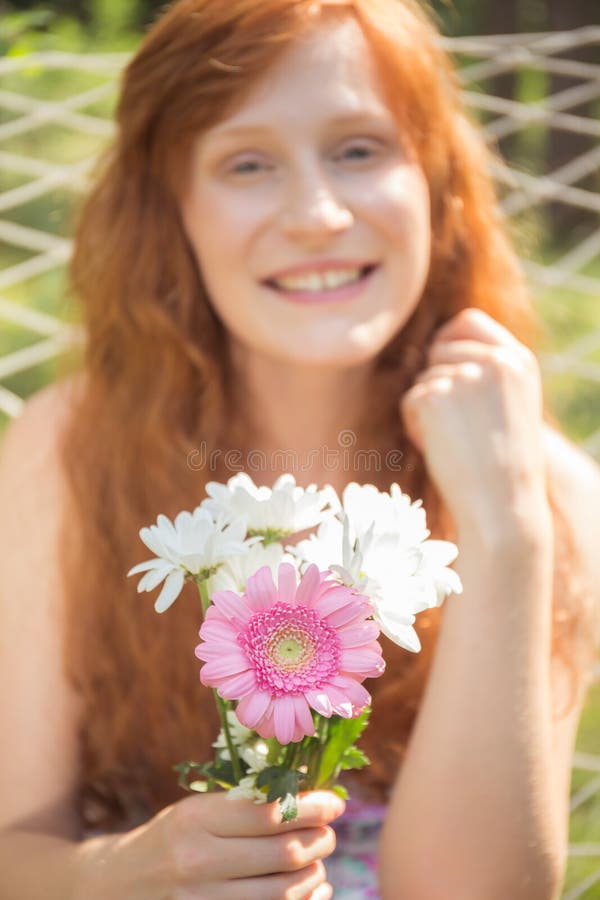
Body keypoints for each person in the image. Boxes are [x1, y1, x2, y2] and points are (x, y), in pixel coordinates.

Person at [0, 0, 599, 897]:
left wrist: (508, 530)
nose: (317, 214)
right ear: (173, 211)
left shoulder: (540, 486)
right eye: (247, 164)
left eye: (360, 149)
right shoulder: (69, 448)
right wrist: (128, 871)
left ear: (437, 183)